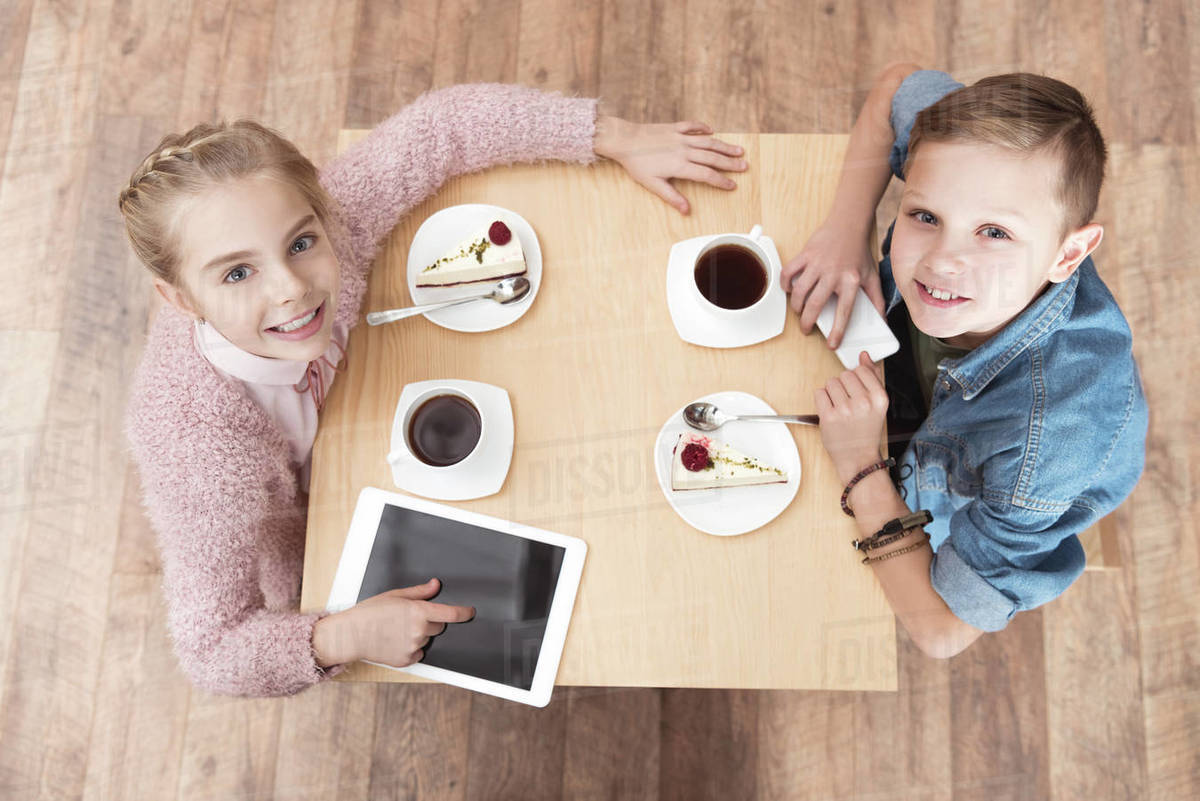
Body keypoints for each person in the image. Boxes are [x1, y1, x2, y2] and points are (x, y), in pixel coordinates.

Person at [122, 83, 748, 696]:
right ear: (179, 299)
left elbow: (443, 129)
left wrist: (615, 137)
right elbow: (213, 651)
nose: (290, 287)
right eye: (237, 272)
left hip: (380, 425)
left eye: (301, 243)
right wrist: (341, 637)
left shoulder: (331, 222)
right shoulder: (195, 445)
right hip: (321, 537)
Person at [782, 65, 1148, 657]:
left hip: (987, 482)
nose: (941, 264)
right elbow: (896, 83)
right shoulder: (972, 153)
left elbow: (942, 630)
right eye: (924, 216)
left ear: (1070, 252)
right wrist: (846, 229)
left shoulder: (1048, 452)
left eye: (995, 234)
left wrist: (860, 466)